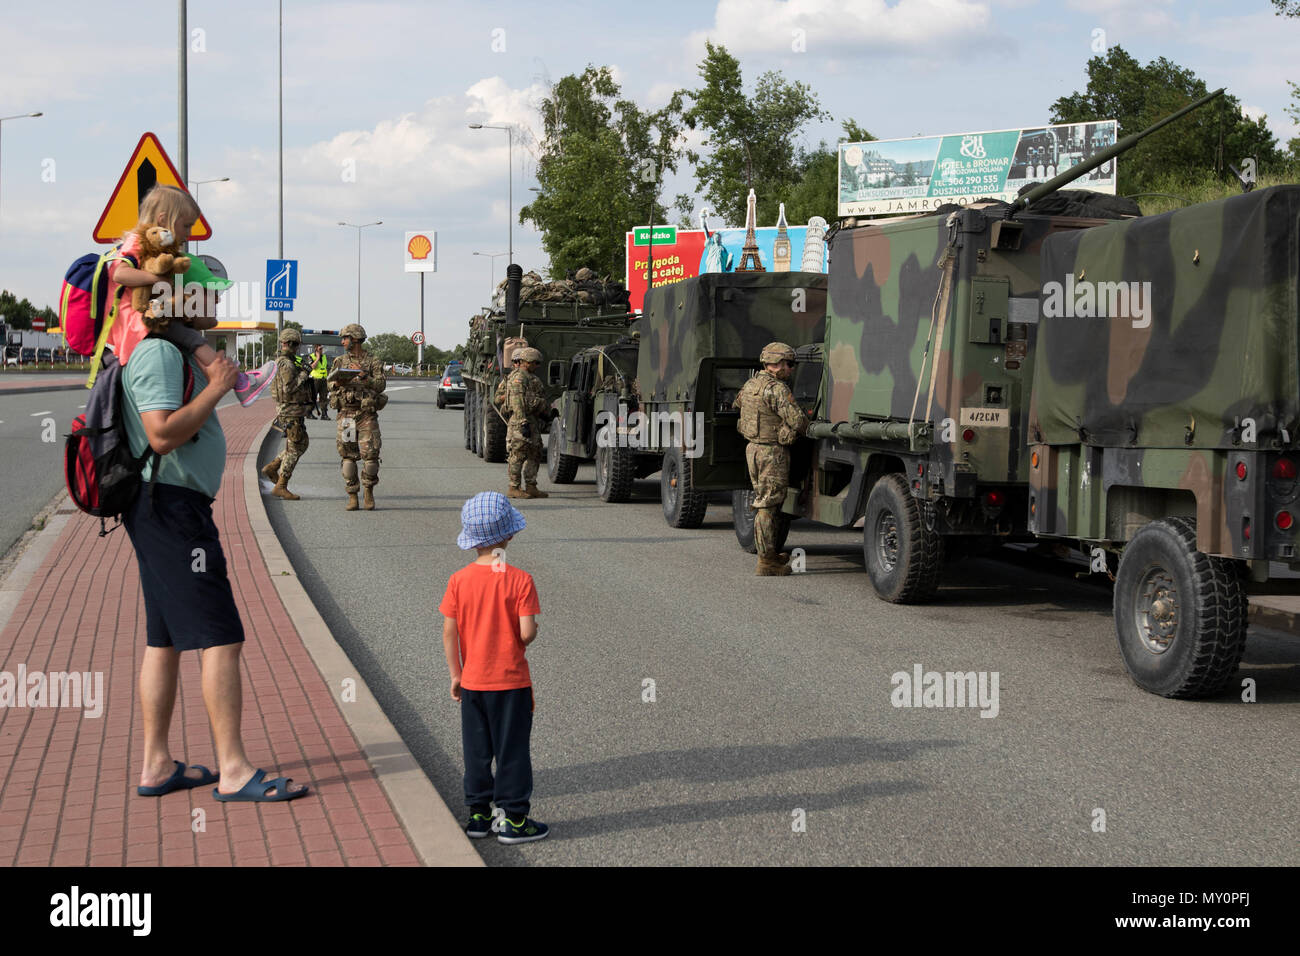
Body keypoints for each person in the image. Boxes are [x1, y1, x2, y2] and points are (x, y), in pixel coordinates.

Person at [122, 317, 308, 802]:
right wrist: (219, 387)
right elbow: (161, 435)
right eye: (208, 290)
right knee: (220, 636)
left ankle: (157, 765)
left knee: (163, 641)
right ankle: (234, 770)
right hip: (173, 511)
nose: (219, 300)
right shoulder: (160, 353)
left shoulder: (167, 350)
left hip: (165, 507)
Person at [439, 492, 548, 844]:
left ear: (472, 541)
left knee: (476, 750)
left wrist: (457, 674)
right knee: (511, 750)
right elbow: (526, 632)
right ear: (509, 535)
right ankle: (514, 820)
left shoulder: (458, 580)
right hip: (510, 683)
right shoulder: (520, 580)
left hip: (472, 682)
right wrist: (525, 636)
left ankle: (477, 816)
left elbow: (449, 631)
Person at [106, 184, 274, 406]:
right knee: (192, 339)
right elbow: (119, 273)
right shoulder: (137, 241)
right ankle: (240, 382)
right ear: (163, 219)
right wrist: (158, 280)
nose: (189, 233)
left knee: (189, 342)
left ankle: (237, 380)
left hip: (146, 316)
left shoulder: (154, 245)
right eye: (186, 225)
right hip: (137, 320)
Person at [733, 342, 810, 576]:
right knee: (768, 505)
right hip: (771, 453)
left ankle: (770, 554)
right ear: (775, 365)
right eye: (789, 363)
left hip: (753, 449)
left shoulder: (751, 385)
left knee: (764, 500)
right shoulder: (776, 389)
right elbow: (798, 421)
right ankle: (766, 561)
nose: (791, 369)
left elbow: (738, 404)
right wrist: (807, 428)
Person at [329, 323, 386, 510]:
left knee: (370, 456)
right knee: (348, 456)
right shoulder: (339, 361)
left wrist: (364, 376)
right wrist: (338, 383)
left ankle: (368, 492)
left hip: (366, 415)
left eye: (345, 338)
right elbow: (329, 384)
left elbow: (380, 385)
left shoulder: (373, 361)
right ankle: (352, 495)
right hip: (346, 415)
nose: (342, 341)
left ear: (354, 339)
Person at [261, 327, 315, 500]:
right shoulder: (286, 363)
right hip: (289, 410)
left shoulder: (283, 361)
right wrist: (305, 373)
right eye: (297, 345)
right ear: (292, 344)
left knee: (299, 444)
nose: (298, 348)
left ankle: (273, 467)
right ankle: (281, 485)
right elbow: (289, 387)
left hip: (290, 410)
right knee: (297, 445)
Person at [504, 347, 550, 500]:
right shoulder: (518, 378)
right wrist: (522, 422)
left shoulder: (529, 377)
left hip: (532, 420)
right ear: (528, 362)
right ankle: (514, 487)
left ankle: (531, 486)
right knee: (518, 454)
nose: (537, 366)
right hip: (521, 421)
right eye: (535, 363)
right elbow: (517, 401)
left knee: (535, 452)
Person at [308, 343, 330, 419]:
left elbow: (326, 367)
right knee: (313, 397)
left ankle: (324, 414)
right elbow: (312, 367)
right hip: (315, 379)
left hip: (324, 379)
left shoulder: (324, 357)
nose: (322, 350)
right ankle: (309, 413)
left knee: (324, 397)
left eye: (322, 348)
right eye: (320, 349)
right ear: (316, 349)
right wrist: (317, 358)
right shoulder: (311, 356)